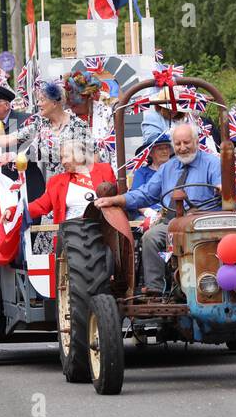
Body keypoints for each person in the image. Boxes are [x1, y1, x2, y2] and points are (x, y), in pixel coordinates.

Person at [94, 121, 222, 296]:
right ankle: (156, 290)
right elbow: (145, 193)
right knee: (151, 237)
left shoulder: (213, 163)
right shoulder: (168, 168)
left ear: (196, 141)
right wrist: (115, 200)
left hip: (203, 224)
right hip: (173, 223)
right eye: (178, 144)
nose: (182, 148)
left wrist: (222, 187)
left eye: (187, 142)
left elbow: (222, 186)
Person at [0, 79, 94, 180]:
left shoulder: (78, 125)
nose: (38, 104)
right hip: (53, 185)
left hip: (78, 183)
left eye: (42, 100)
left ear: (54, 102)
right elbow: (11, 138)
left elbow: (94, 157)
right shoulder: (38, 123)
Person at [27, 138, 117, 225]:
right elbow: (40, 206)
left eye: (66, 157)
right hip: (70, 232)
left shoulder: (104, 170)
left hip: (102, 228)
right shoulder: (57, 181)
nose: (63, 162)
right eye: (61, 158)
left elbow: (116, 198)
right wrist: (16, 211)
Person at [127, 130, 173, 222]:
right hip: (147, 215)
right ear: (150, 153)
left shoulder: (176, 170)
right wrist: (150, 213)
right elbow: (136, 198)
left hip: (173, 213)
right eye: (160, 149)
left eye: (167, 148)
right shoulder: (142, 172)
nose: (165, 151)